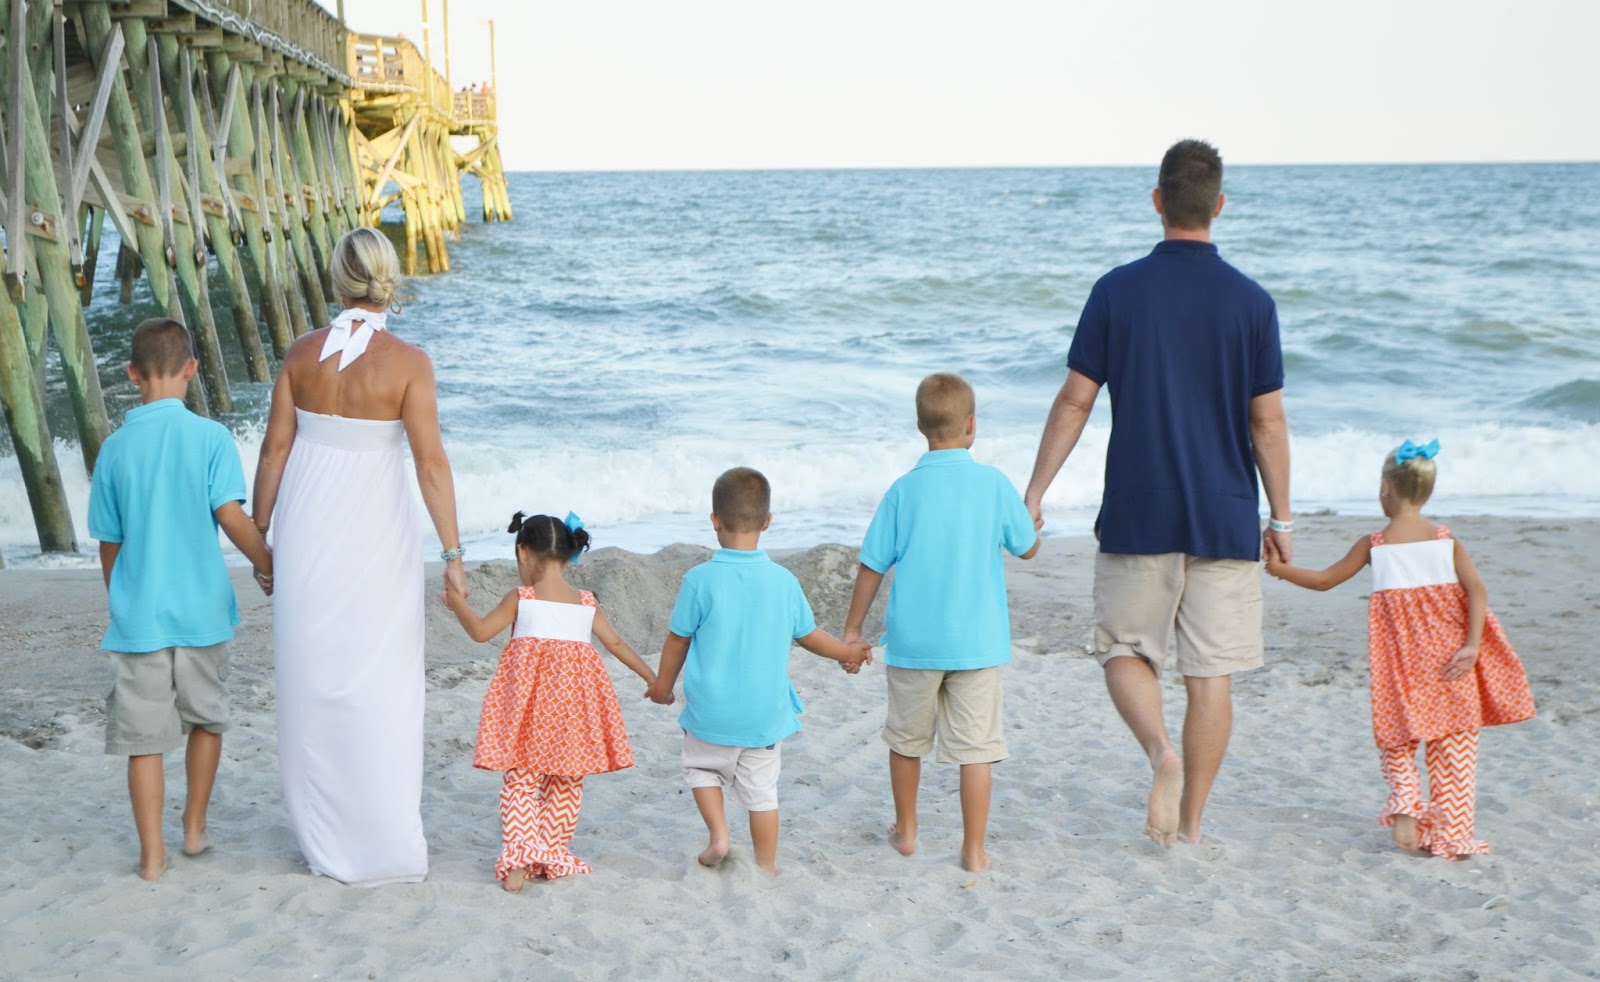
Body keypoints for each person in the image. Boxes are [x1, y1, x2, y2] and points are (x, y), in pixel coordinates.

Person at [1024, 139, 1293, 848]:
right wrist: (1283, 517)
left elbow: (1075, 402)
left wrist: (1035, 492)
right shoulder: (1252, 303)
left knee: (1123, 651)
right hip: (1226, 514)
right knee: (1211, 676)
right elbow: (1266, 423)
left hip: (1140, 511)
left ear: (1157, 202)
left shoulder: (1117, 290)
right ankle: (1193, 827)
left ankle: (1160, 755)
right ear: (1220, 207)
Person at [252, 227, 465, 885]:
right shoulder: (409, 362)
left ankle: (325, 837)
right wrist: (454, 550)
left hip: (310, 523)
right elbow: (429, 463)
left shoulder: (301, 355)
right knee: (380, 675)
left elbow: (275, 452)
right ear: (387, 279)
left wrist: (263, 540)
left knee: (312, 675)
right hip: (376, 525)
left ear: (336, 280)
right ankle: (382, 836)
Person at [1264, 442, 1535, 857]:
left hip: (1401, 663)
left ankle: (1406, 801)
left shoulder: (1376, 544)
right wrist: (1472, 645)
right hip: (1451, 659)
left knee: (1397, 737)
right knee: (1455, 747)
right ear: (1425, 493)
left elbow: (1324, 580)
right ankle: (1452, 835)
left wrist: (1278, 569)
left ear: (1386, 488)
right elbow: (1477, 590)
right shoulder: (1445, 540)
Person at [87, 318, 273, 880]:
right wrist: (269, 565)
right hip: (201, 612)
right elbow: (230, 516)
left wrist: (123, 598)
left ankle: (152, 855)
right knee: (206, 723)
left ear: (131, 374)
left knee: (143, 740)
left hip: (139, 616)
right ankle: (193, 827)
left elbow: (109, 544)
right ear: (192, 369)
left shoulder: (114, 450)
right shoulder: (212, 438)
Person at [843, 373, 1039, 872]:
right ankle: (973, 851)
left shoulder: (903, 490)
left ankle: (907, 832)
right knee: (976, 752)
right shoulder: (993, 483)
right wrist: (1032, 522)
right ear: (971, 426)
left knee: (906, 743)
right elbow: (1026, 547)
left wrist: (852, 631)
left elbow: (872, 565)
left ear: (919, 426)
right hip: (976, 644)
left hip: (913, 643)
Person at [645, 467, 871, 876]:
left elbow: (677, 640)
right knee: (763, 795)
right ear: (767, 522)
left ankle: (719, 836)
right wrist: (846, 652)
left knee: (700, 769)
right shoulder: (783, 581)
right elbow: (810, 636)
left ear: (714, 520)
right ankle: (766, 866)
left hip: (710, 712)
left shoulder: (698, 580)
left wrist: (662, 687)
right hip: (764, 716)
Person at [443, 511, 656, 891]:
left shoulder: (522, 598)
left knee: (522, 780)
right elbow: (617, 645)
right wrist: (652, 678)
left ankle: (518, 860)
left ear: (523, 553)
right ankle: (550, 853)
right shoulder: (586, 602)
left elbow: (479, 632)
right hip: (576, 711)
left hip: (529, 711)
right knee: (566, 781)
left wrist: (455, 601)